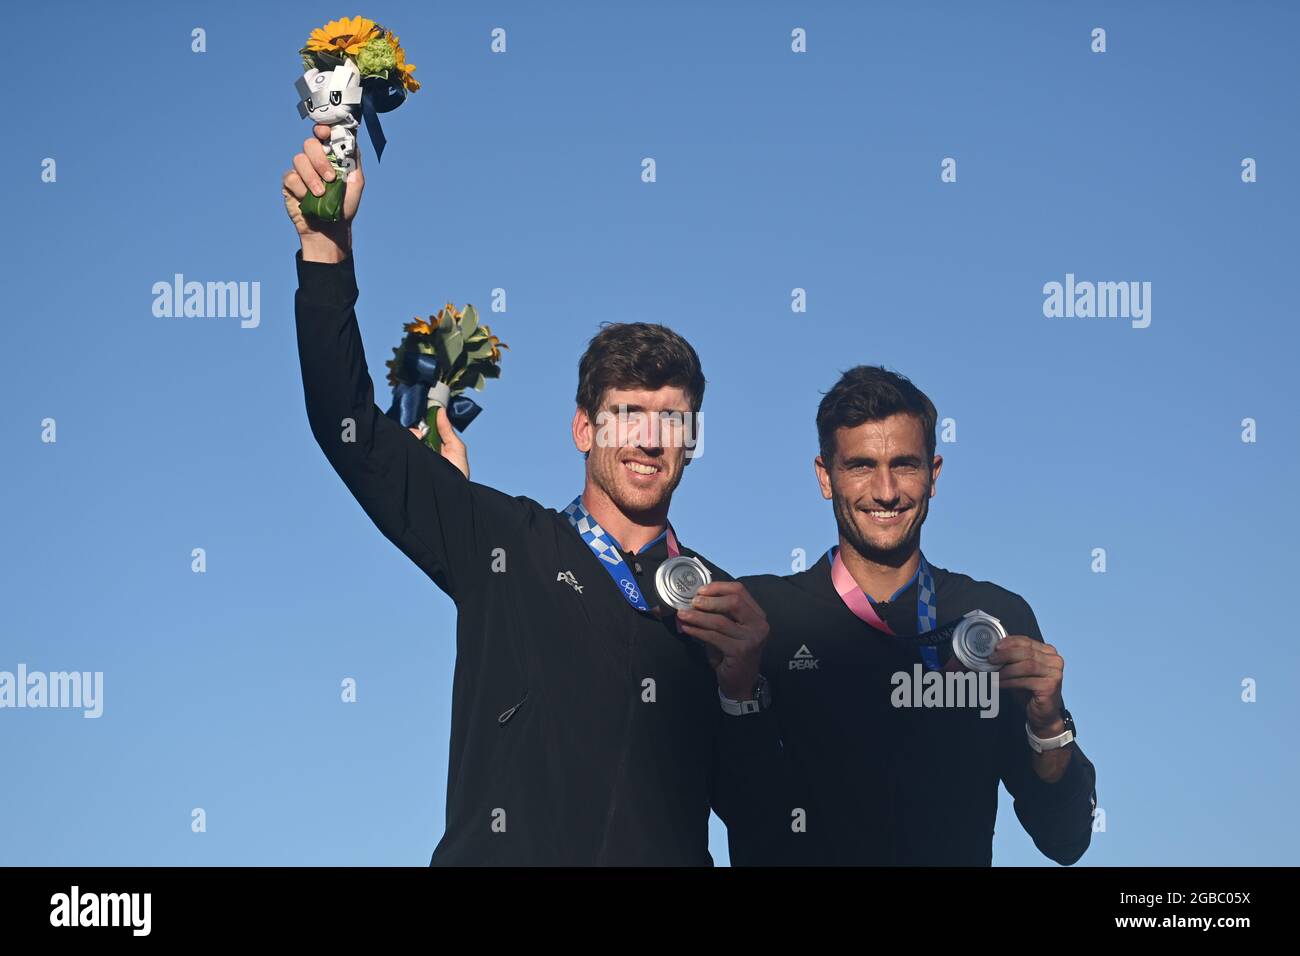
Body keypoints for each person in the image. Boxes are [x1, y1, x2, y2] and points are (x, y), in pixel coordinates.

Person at [281, 126, 781, 865]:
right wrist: (327, 255)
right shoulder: (499, 540)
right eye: (626, 416)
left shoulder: (719, 608)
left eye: (670, 420)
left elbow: (760, 827)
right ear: (585, 427)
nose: (648, 440)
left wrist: (742, 690)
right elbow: (347, 424)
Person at [733, 366, 1098, 865]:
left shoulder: (994, 619)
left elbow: (1065, 839)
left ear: (934, 474)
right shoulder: (762, 617)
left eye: (904, 465)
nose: (886, 492)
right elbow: (713, 793)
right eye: (861, 466)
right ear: (825, 476)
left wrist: (1049, 722)